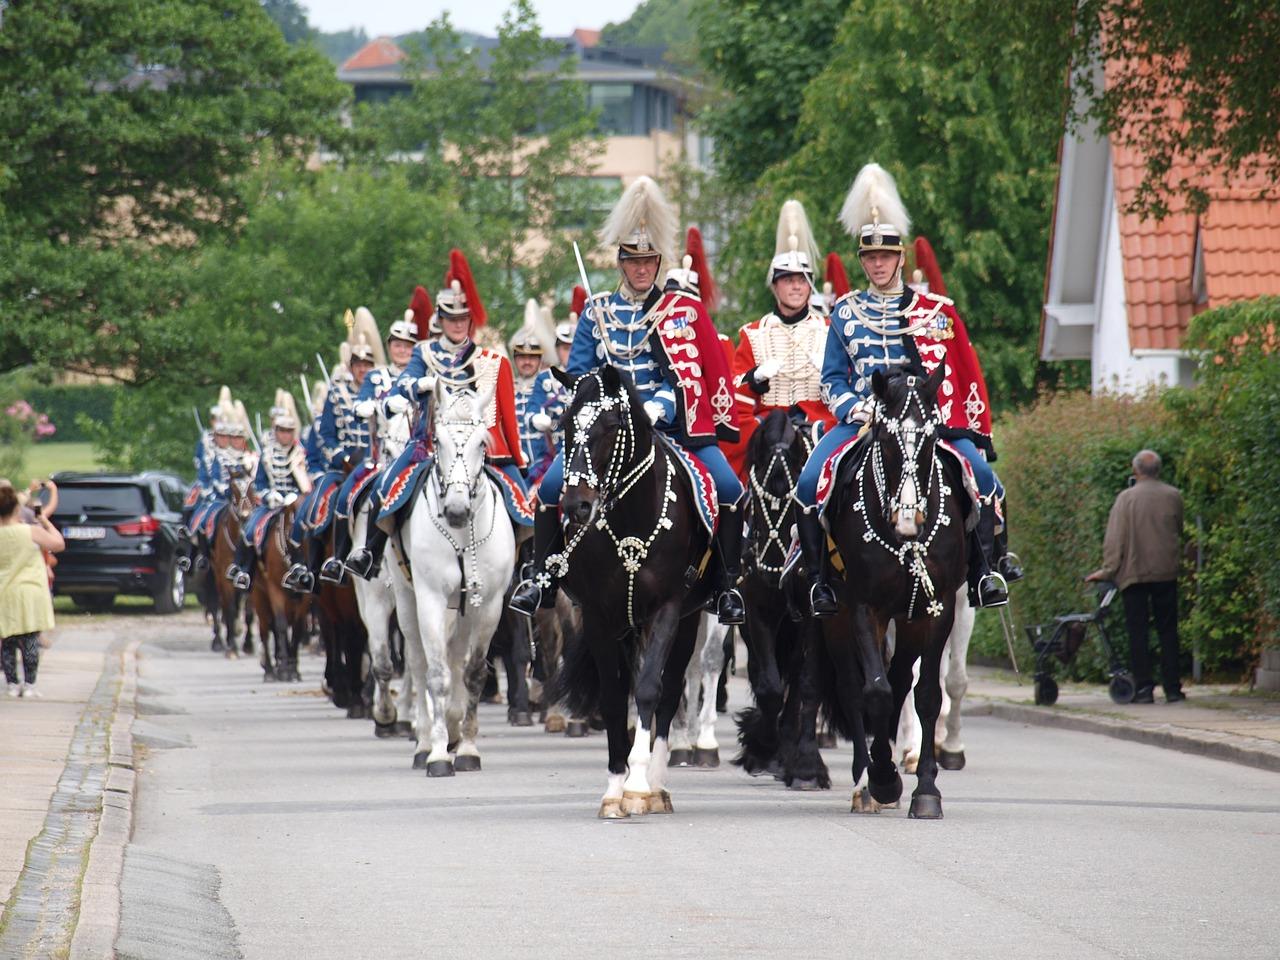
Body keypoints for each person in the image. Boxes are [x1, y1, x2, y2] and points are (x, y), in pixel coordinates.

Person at [509, 176, 744, 624]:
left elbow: (687, 375)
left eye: (649, 261)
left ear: (659, 262)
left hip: (667, 428)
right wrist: (601, 400)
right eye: (633, 261)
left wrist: (658, 405)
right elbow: (580, 375)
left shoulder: (676, 312)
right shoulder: (597, 311)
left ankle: (725, 586)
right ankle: (543, 578)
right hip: (607, 430)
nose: (642, 269)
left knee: (729, 489)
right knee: (551, 489)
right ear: (621, 262)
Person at [795, 163, 1010, 610]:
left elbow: (958, 373)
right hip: (863, 421)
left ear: (899, 259)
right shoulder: (846, 312)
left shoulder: (934, 311)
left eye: (886, 256)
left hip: (925, 422)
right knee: (809, 482)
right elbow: (831, 379)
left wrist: (950, 421)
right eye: (870, 257)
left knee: (984, 479)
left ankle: (986, 572)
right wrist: (856, 408)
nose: (878, 264)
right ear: (862, 261)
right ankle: (819, 582)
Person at [346, 249, 526, 581]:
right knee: (385, 486)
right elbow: (402, 383)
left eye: (462, 319)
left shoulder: (486, 360)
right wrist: (417, 386)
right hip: (428, 444)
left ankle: (527, 569)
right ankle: (370, 552)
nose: (457, 325)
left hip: (477, 444)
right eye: (451, 319)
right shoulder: (424, 353)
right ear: (441, 321)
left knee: (521, 496)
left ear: (469, 321)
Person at [729, 199, 839, 613]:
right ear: (774, 287)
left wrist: (816, 415)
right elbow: (734, 393)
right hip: (767, 428)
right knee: (729, 484)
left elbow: (841, 387)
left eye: (801, 281)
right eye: (787, 281)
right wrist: (755, 380)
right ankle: (734, 565)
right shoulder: (753, 333)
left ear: (810, 286)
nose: (795, 287)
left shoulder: (829, 331)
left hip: (817, 427)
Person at [319, 290, 426, 583]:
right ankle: (346, 557)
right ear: (389, 347)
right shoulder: (377, 377)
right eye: (398, 344)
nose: (402, 350)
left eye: (408, 345)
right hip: (382, 459)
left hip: (419, 456)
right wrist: (371, 406)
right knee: (345, 497)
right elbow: (359, 404)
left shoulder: (423, 377)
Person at [286, 309, 380, 591]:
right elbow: (326, 435)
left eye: (367, 364)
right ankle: (314, 569)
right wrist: (342, 456)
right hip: (343, 467)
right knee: (316, 507)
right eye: (358, 364)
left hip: (376, 464)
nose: (363, 369)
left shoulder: (381, 390)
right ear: (351, 366)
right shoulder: (337, 392)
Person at [1086, 450, 1185, 703]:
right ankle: (1173, 688)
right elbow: (1179, 530)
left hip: (1134, 572)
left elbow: (1115, 538)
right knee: (1168, 630)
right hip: (1166, 571)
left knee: (1137, 631)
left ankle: (1143, 688)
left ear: (1135, 470)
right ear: (1158, 470)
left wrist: (1108, 570)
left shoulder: (1125, 499)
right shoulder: (1173, 495)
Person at [226, 391, 311, 591]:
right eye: (282, 431)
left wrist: (296, 495)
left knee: (309, 528)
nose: (285, 435)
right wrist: (269, 495)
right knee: (249, 530)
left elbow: (306, 482)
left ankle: (304, 567)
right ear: (276, 431)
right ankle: (244, 570)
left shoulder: (301, 453)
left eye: (289, 431)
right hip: (271, 504)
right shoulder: (267, 455)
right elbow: (260, 484)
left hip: (295, 503)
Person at [0, 482, 64, 698]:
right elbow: (58, 544)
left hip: (4, 592)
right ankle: (29, 685)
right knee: (29, 640)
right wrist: (44, 521)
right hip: (29, 592)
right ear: (16, 509)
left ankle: (11, 684)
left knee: (7, 641)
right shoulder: (31, 532)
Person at [510, 300, 567, 487]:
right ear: (515, 359)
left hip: (545, 465)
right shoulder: (508, 389)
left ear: (540, 359)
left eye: (532, 357)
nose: (527, 362)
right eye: (522, 357)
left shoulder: (553, 388)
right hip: (514, 464)